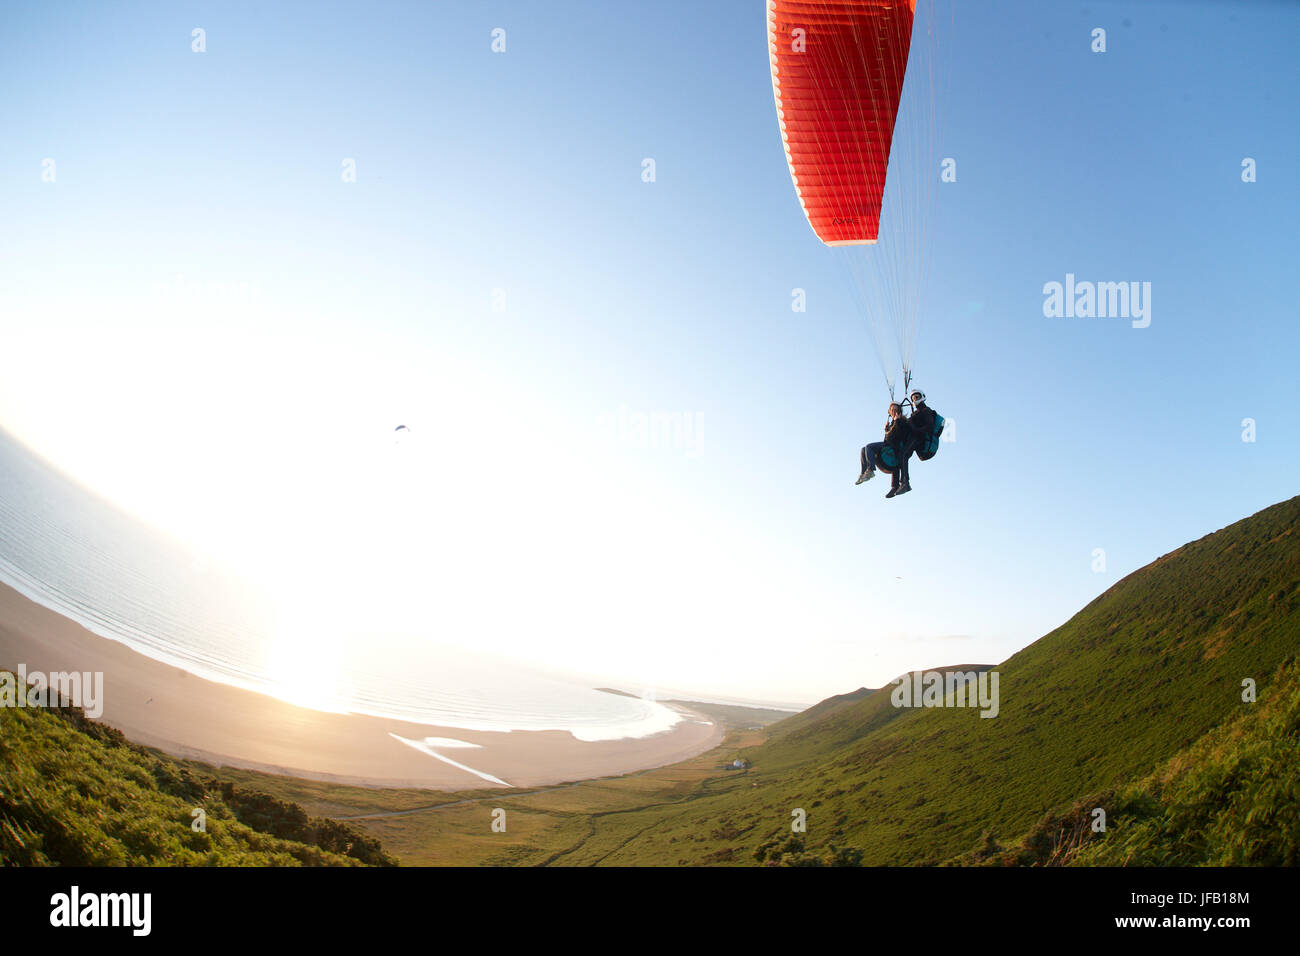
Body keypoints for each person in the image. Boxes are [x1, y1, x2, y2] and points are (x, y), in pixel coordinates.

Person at [857, 402, 913, 498]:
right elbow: (888, 438)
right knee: (863, 449)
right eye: (891, 410)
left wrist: (896, 422)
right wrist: (887, 430)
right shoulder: (893, 422)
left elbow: (898, 436)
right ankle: (863, 473)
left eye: (895, 409)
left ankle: (871, 470)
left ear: (899, 411)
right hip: (888, 445)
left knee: (869, 447)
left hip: (893, 447)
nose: (893, 411)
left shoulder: (902, 421)